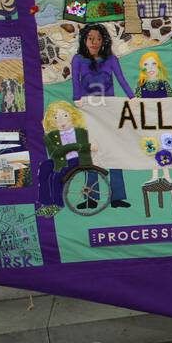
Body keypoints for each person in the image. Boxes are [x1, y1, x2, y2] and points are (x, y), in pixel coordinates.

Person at [70, 23, 131, 210]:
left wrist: (133, 98)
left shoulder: (111, 59)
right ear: (84, 40)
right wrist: (77, 100)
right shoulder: (78, 59)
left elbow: (121, 80)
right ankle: (91, 196)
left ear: (104, 40)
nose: (94, 42)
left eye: (98, 39)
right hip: (89, 112)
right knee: (90, 154)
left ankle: (117, 196)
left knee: (114, 151)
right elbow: (75, 82)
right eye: (90, 39)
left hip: (109, 112)